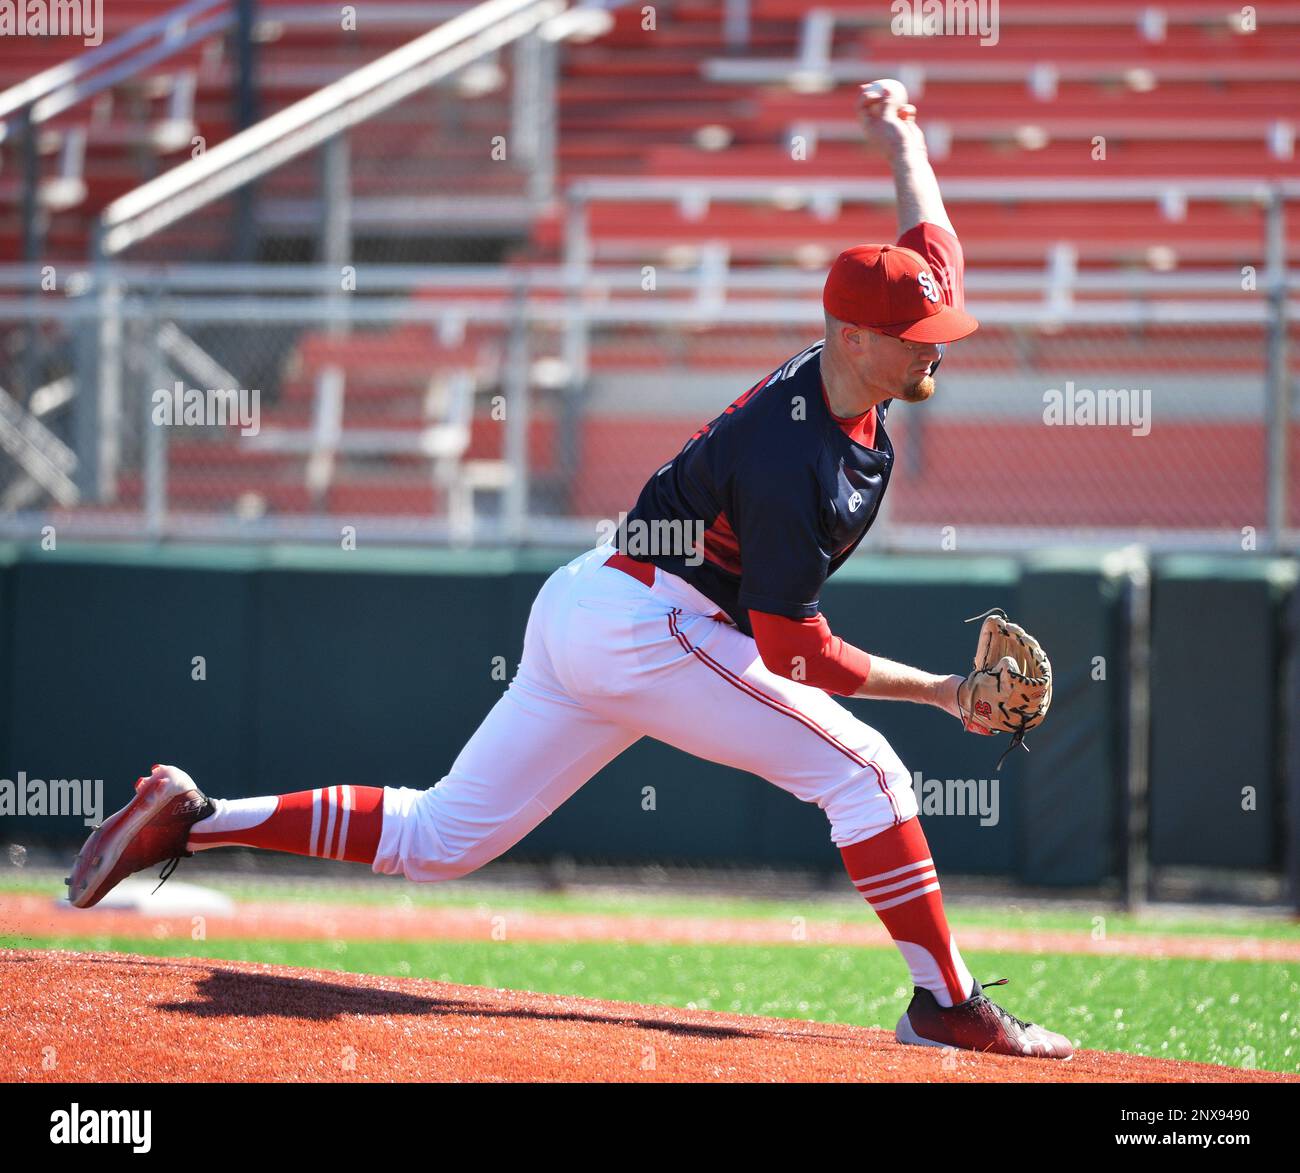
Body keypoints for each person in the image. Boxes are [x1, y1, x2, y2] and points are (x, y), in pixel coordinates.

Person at [67, 81, 1072, 1059]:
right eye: (918, 339)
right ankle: (945, 1004)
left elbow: (930, 238)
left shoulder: (861, 363)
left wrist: (900, 139)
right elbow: (794, 655)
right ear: (853, 337)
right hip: (655, 627)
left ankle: (195, 819)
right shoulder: (789, 455)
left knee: (439, 840)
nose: (938, 350)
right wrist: (944, 693)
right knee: (869, 777)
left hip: (602, 601)